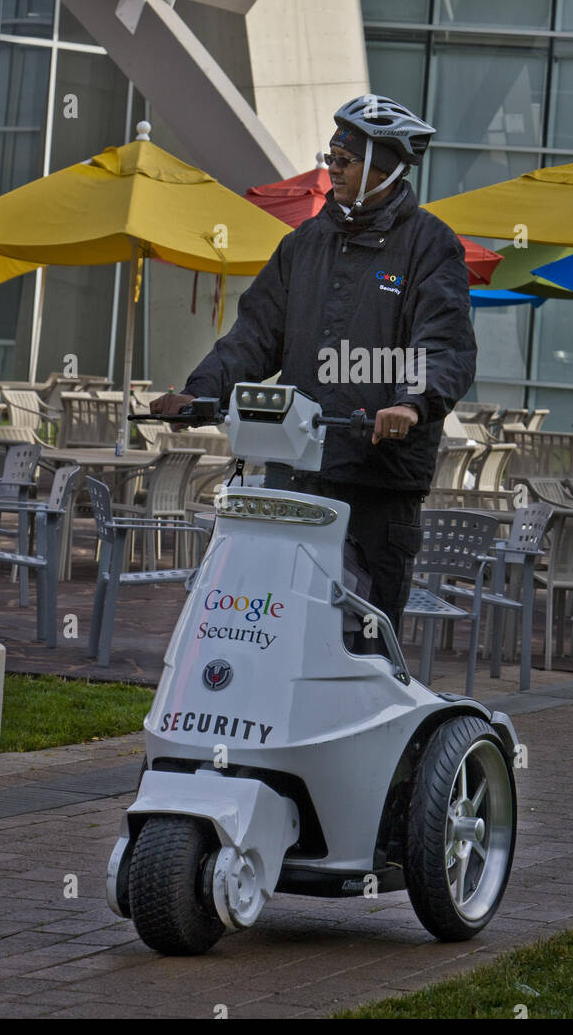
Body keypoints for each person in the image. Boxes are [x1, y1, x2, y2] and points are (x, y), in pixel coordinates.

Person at [151, 95, 477, 635]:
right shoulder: (304, 244)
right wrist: (199, 390)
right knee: (284, 628)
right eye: (331, 157)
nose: (334, 169)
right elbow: (255, 334)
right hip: (298, 471)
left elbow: (444, 343)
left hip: (380, 482)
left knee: (365, 636)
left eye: (345, 160)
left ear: (385, 166)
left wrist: (411, 403)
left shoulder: (431, 245)